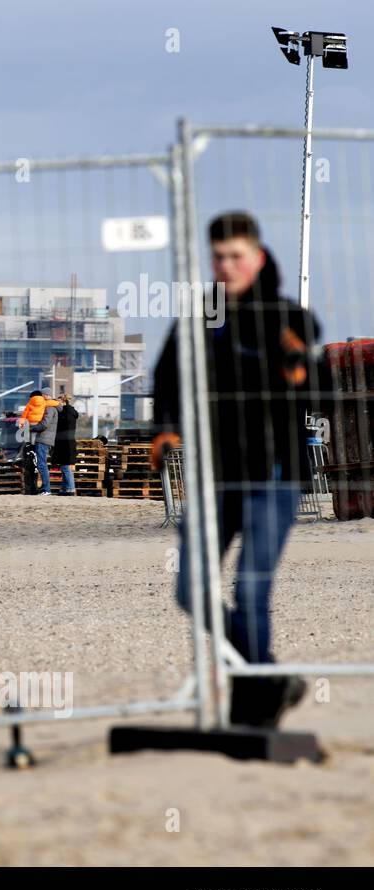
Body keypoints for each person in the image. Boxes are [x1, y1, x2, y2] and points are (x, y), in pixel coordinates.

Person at [152, 210, 327, 726]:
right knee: (190, 590)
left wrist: (298, 367)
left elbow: (318, 391)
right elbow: (167, 375)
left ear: (258, 256)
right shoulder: (201, 313)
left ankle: (255, 706)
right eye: (220, 257)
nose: (227, 265)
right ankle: (269, 677)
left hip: (274, 474)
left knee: (251, 589)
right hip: (218, 474)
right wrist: (164, 427)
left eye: (237, 256)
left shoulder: (286, 315)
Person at [20, 391, 60, 495]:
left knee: (42, 465)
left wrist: (30, 428)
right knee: (41, 464)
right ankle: (44, 488)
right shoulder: (47, 407)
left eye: (42, 396)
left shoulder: (50, 409)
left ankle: (46, 489)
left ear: (46, 396)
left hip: (44, 439)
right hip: (44, 439)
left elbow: (44, 425)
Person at [51, 394, 80, 495]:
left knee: (65, 467)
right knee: (64, 467)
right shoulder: (72, 412)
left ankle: (71, 488)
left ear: (62, 402)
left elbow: (60, 428)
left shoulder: (64, 413)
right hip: (69, 442)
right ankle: (64, 488)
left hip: (64, 443)